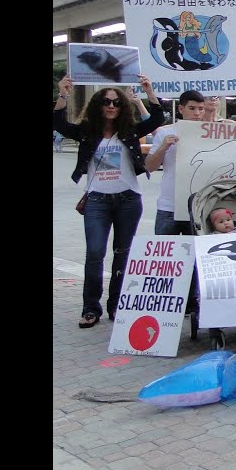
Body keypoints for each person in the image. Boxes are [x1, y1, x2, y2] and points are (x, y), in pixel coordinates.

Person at [54, 74, 165, 328]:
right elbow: (57, 123)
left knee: (122, 254)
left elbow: (158, 119)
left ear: (122, 106)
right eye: (106, 101)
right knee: (94, 253)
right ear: (98, 105)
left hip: (128, 200)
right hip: (97, 201)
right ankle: (91, 309)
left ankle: (116, 305)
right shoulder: (86, 132)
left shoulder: (130, 131)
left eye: (116, 102)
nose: (111, 106)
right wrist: (63, 94)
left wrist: (149, 91)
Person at [146, 90, 207, 235]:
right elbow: (150, 167)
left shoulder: (211, 133)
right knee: (164, 255)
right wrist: (163, 147)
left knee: (195, 255)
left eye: (201, 108)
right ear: (181, 109)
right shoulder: (165, 133)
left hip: (199, 207)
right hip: (169, 207)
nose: (197, 113)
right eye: (192, 108)